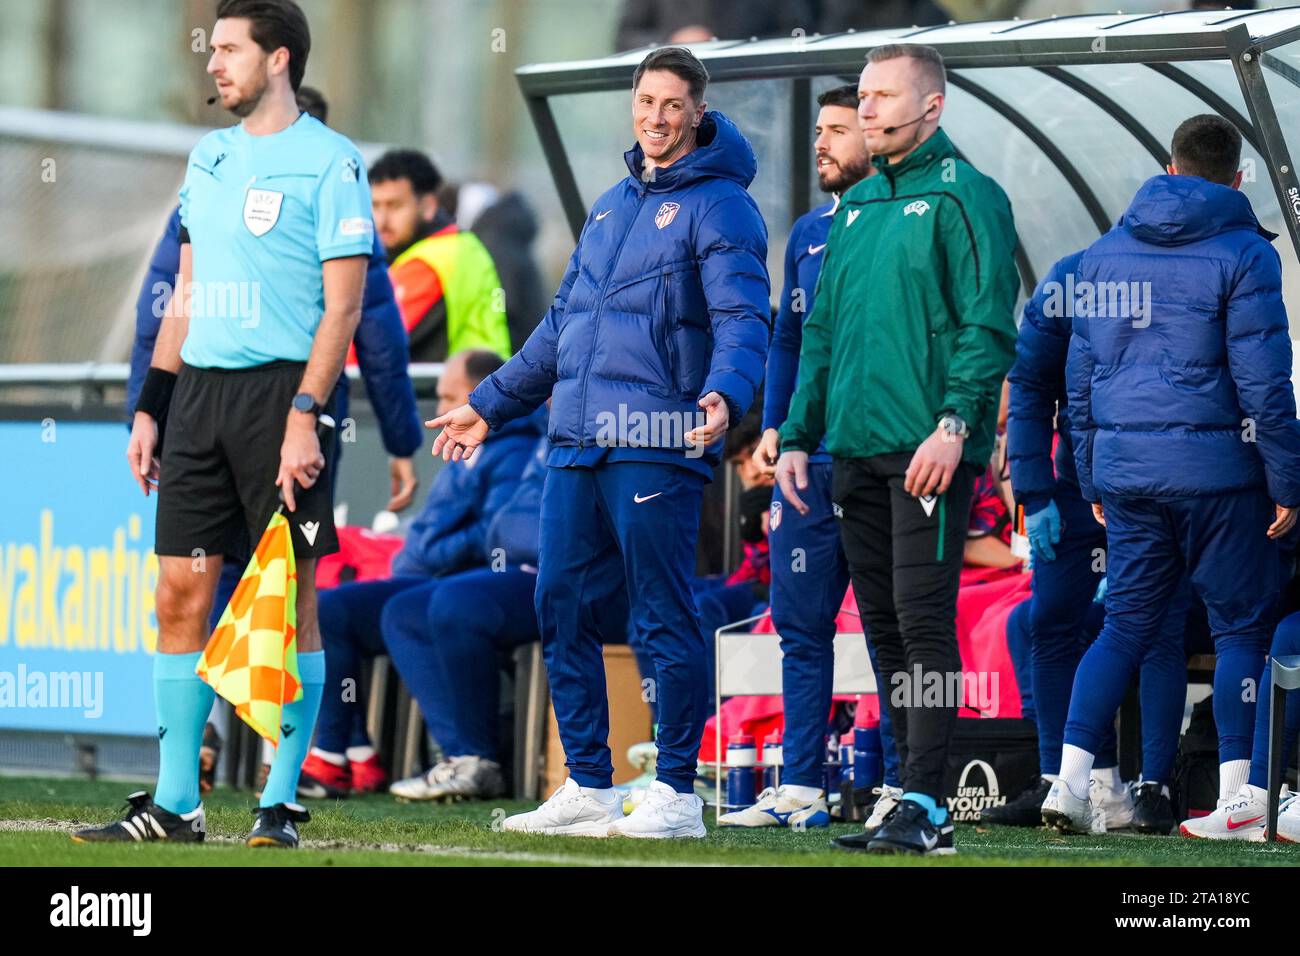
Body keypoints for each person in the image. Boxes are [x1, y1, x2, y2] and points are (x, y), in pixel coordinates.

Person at [430, 46, 770, 839]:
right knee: (558, 602)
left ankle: (678, 794)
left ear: (696, 113)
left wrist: (728, 392)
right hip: (577, 442)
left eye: (672, 105)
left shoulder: (723, 206)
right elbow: (560, 329)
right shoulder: (612, 203)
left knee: (661, 613)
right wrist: (488, 404)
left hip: (657, 440)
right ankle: (588, 781)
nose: (655, 117)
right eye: (645, 101)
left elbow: (742, 319)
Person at [76, 0, 373, 849]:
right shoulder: (206, 158)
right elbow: (186, 294)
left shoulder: (333, 163)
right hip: (199, 399)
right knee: (179, 593)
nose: (214, 64)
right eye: (213, 50)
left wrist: (304, 416)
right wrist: (151, 406)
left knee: (292, 605)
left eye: (230, 50)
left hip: (283, 402)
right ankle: (177, 805)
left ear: (279, 59)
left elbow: (344, 309)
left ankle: (279, 802)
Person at [777, 43, 1019, 855]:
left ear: (932, 108)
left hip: (927, 453)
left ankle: (930, 800)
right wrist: (798, 434)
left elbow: (988, 325)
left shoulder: (967, 196)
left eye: (883, 96)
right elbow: (821, 331)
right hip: (853, 448)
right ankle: (901, 791)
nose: (868, 109)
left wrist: (955, 427)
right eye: (865, 97)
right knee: (879, 625)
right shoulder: (853, 206)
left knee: (923, 622)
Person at [1042, 114, 1300, 834]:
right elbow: (1264, 384)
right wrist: (1288, 479)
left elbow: (1081, 378)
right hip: (1221, 478)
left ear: (1170, 166)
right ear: (1238, 178)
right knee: (1242, 628)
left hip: (1127, 477)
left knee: (1121, 627)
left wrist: (1091, 476)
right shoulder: (1248, 253)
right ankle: (1239, 798)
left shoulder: (1101, 252)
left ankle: (1066, 784)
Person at [724, 84, 900, 831]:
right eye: (818, 130)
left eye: (836, 131)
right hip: (805, 464)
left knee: (892, 627)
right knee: (802, 626)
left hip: (880, 461)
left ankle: (898, 784)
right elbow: (787, 338)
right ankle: (801, 784)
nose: (822, 143)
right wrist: (776, 427)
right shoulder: (805, 233)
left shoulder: (905, 222)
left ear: (874, 137)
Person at [997, 251, 1190, 835]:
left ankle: (1151, 787)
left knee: (1157, 627)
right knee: (1051, 622)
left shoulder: (1183, 273)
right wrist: (1033, 492)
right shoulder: (1072, 277)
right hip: (1078, 487)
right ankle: (1065, 779)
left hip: (1151, 482)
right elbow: (1029, 384)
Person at [299, 350, 539, 796]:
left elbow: (492, 536)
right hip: (433, 577)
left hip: (469, 581)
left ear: (480, 395)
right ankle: (342, 753)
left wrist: (429, 548)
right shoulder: (459, 447)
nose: (441, 407)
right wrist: (425, 546)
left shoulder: (514, 449)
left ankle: (466, 757)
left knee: (408, 609)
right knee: (330, 610)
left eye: (450, 396)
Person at [367, 149, 511, 364]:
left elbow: (371, 339)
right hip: (478, 383)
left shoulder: (432, 259)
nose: (382, 220)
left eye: (395, 206)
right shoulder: (459, 244)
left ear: (428, 206)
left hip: (460, 389)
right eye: (375, 206)